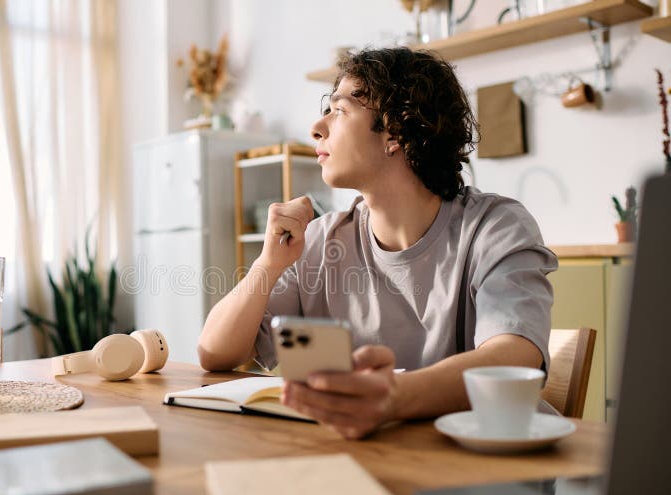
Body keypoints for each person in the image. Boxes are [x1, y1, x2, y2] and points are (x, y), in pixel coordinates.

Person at [197, 47, 558, 439]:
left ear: (395, 131)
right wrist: (268, 264)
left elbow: (512, 357)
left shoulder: (495, 227)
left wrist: (392, 398)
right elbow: (216, 353)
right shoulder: (319, 241)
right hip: (377, 462)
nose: (316, 128)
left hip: (494, 469)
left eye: (339, 110)